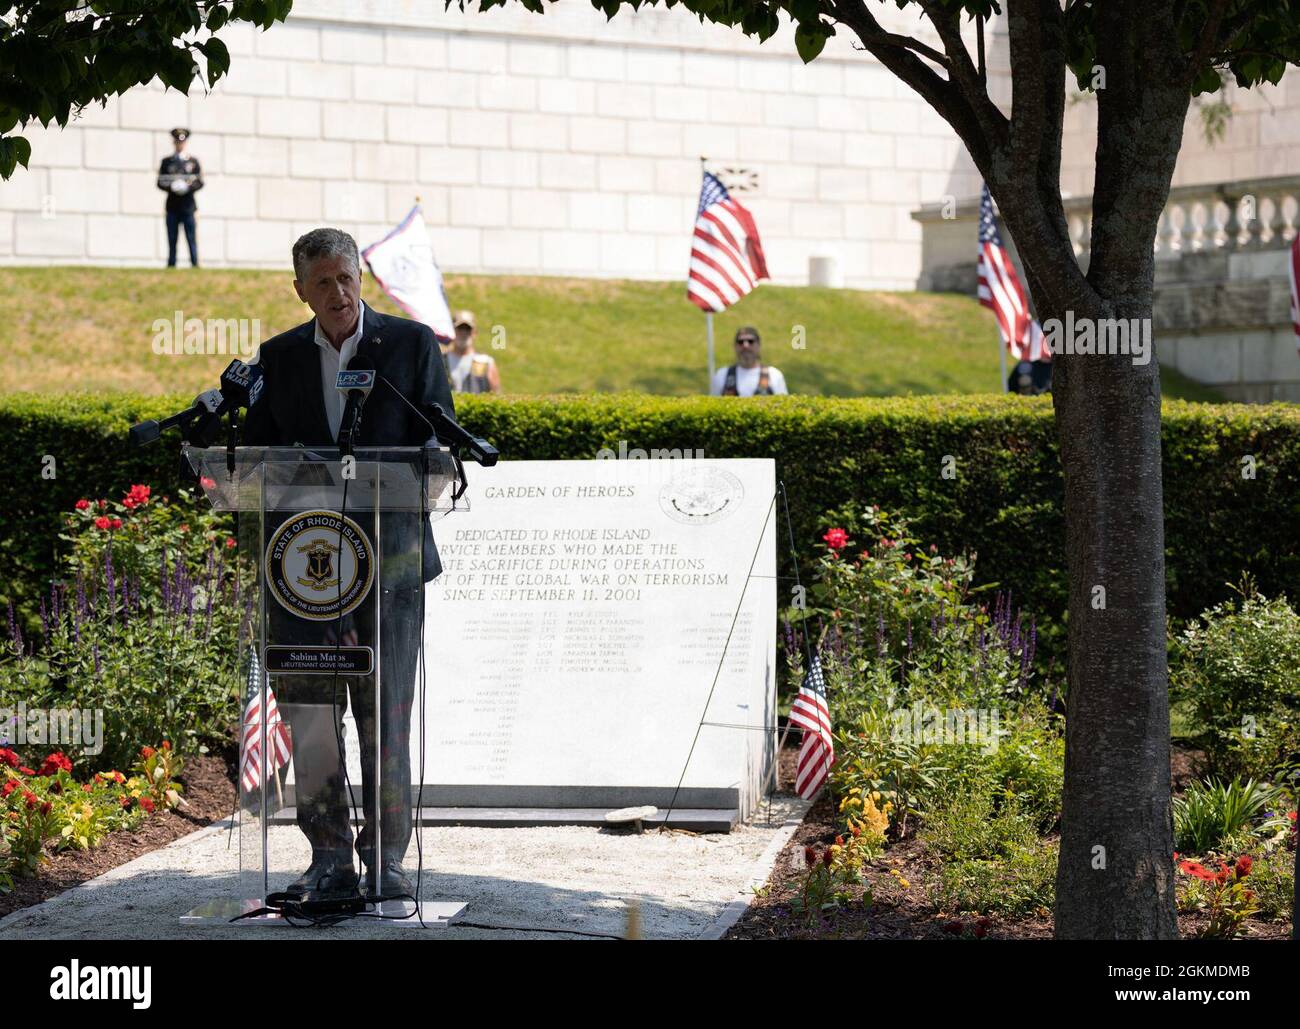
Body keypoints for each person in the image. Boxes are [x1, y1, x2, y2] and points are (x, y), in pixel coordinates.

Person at [243, 227, 455, 902]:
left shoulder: (411, 345)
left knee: (385, 712)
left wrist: (426, 465)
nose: (338, 293)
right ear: (300, 289)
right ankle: (330, 856)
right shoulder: (278, 358)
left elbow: (437, 443)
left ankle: (387, 860)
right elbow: (254, 458)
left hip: (387, 564)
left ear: (360, 277)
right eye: (323, 282)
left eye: (346, 278)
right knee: (308, 709)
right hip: (305, 570)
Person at [156, 128, 203, 268]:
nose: (179, 144)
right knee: (172, 238)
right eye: (177, 141)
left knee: (191, 237)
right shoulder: (167, 162)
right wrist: (172, 187)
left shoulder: (193, 162)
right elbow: (160, 182)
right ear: (174, 142)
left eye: (181, 141)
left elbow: (199, 182)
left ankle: (194, 264)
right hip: (172, 206)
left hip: (188, 207)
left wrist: (187, 187)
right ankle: (171, 264)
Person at [710, 326, 788, 396]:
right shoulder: (722, 375)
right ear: (735, 346)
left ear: (759, 345)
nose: (745, 346)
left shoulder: (774, 375)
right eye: (740, 342)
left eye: (750, 341)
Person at [444, 310, 502, 393]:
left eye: (468, 329)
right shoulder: (440, 361)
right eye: (460, 328)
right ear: (452, 330)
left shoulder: (486, 363)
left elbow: (496, 397)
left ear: (474, 333)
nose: (463, 333)